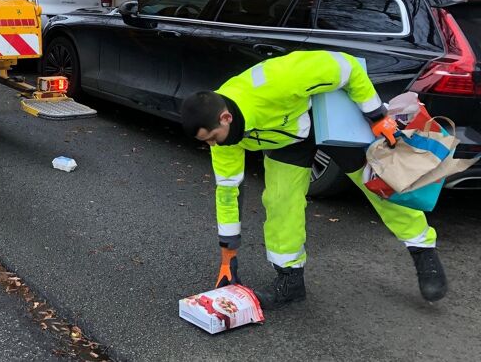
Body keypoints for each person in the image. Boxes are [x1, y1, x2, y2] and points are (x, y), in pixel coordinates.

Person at [180, 50, 447, 308]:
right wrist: (228, 257)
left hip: (329, 116)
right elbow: (228, 193)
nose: (213, 145)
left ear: (225, 117)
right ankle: (290, 280)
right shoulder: (223, 141)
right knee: (280, 201)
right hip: (288, 139)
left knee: (377, 183)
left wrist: (376, 115)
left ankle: (423, 250)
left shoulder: (277, 80)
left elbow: (346, 66)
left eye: (213, 138)